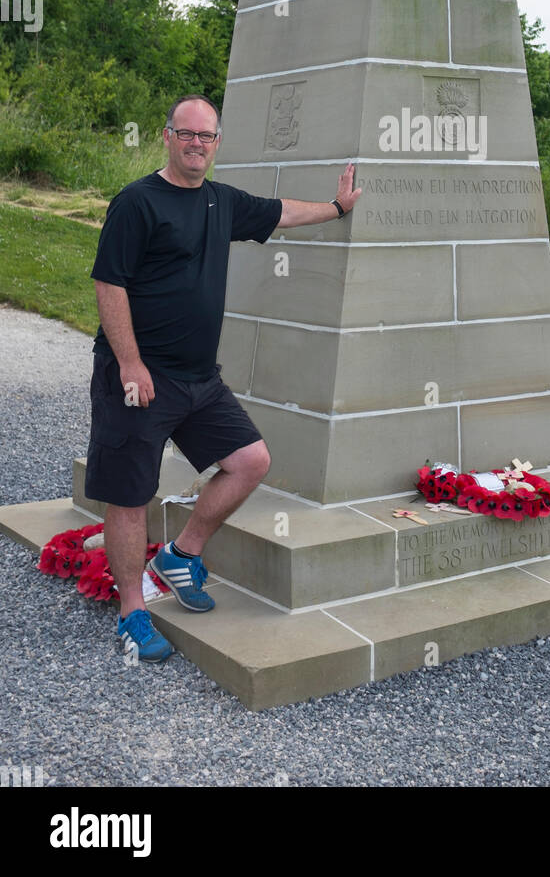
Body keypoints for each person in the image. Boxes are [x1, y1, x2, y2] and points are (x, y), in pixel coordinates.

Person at [87, 93, 361, 663]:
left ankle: (181, 555)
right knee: (130, 495)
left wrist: (337, 208)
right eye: (186, 133)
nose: (196, 144)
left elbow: (280, 211)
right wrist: (131, 363)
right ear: (168, 137)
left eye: (206, 136)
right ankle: (133, 611)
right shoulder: (137, 202)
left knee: (250, 460)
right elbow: (109, 283)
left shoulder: (221, 201)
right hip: (139, 376)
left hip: (198, 379)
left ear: (216, 143)